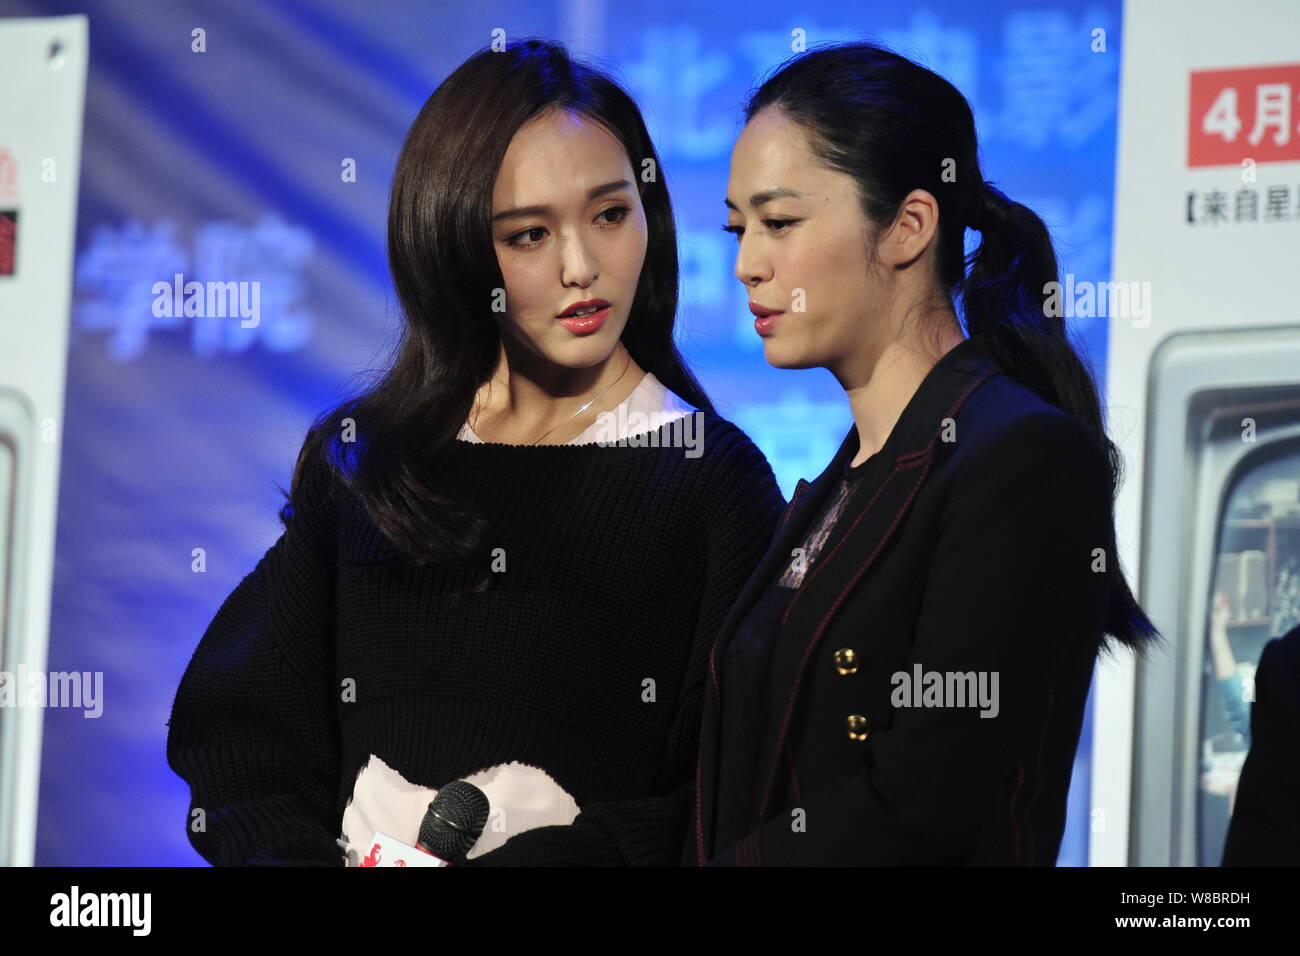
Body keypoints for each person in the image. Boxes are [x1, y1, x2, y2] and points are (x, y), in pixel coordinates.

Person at [166, 38, 783, 866]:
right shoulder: (370, 464)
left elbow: (734, 794)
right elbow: (239, 745)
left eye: (610, 214)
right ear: (452, 243)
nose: (581, 267)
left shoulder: (715, 487)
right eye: (529, 235)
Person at [688, 41, 1163, 866]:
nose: (746, 265)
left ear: (908, 226)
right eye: (738, 229)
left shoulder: (1020, 462)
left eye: (779, 223)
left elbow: (922, 809)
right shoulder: (842, 482)